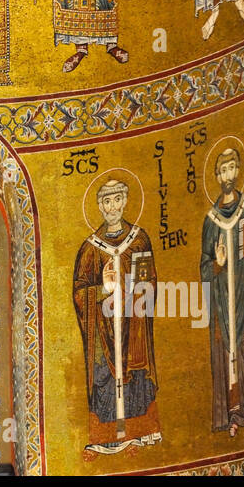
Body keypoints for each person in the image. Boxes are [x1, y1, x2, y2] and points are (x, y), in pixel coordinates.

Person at [72, 177, 161, 455]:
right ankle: (107, 435)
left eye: (117, 200)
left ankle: (140, 431)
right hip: (103, 331)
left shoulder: (140, 240)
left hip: (133, 323)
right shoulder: (90, 248)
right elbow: (79, 292)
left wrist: (135, 289)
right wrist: (103, 290)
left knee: (135, 374)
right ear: (99, 206)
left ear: (125, 201)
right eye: (106, 201)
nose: (112, 207)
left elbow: (151, 283)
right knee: (104, 376)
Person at [200, 148, 244, 436]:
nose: (228, 176)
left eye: (232, 168)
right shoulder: (210, 221)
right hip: (222, 301)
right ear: (215, 175)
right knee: (225, 356)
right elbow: (203, 266)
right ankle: (230, 416)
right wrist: (218, 265)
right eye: (223, 170)